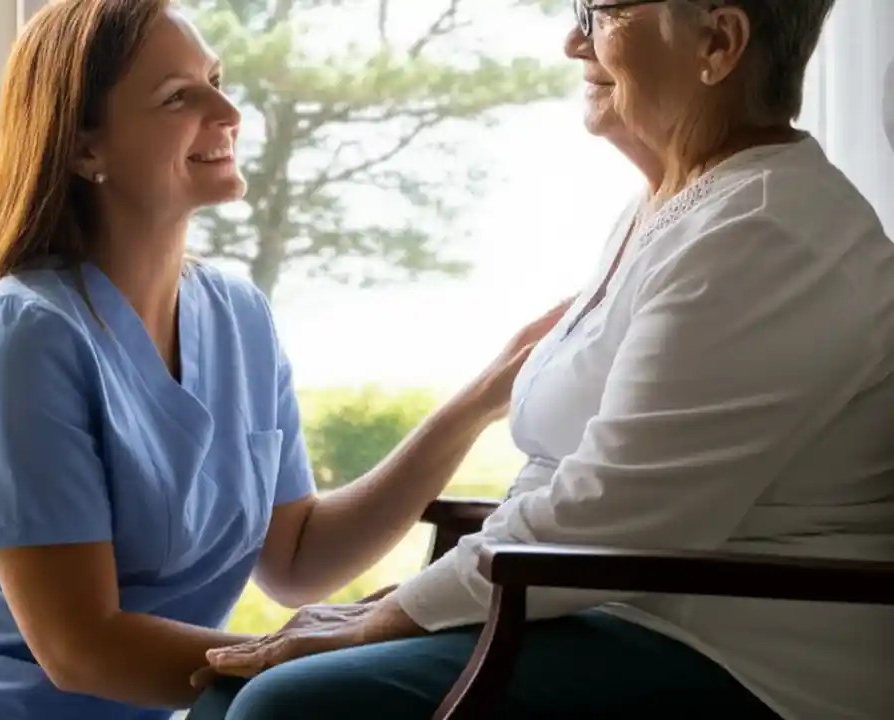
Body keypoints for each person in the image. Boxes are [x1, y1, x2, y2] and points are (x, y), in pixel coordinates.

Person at [0, 1, 568, 718]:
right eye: (178, 96)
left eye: (218, 79)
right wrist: (312, 666)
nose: (228, 109)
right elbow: (82, 648)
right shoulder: (21, 334)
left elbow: (296, 558)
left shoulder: (238, 315)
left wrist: (477, 401)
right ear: (84, 149)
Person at [189, 1, 894, 719]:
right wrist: (396, 610)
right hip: (602, 607)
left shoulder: (765, 234)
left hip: (738, 656)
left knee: (284, 707)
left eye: (603, 12)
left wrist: (386, 615)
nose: (570, 40)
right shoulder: (677, 207)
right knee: (229, 690)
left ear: (718, 41)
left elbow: (614, 516)